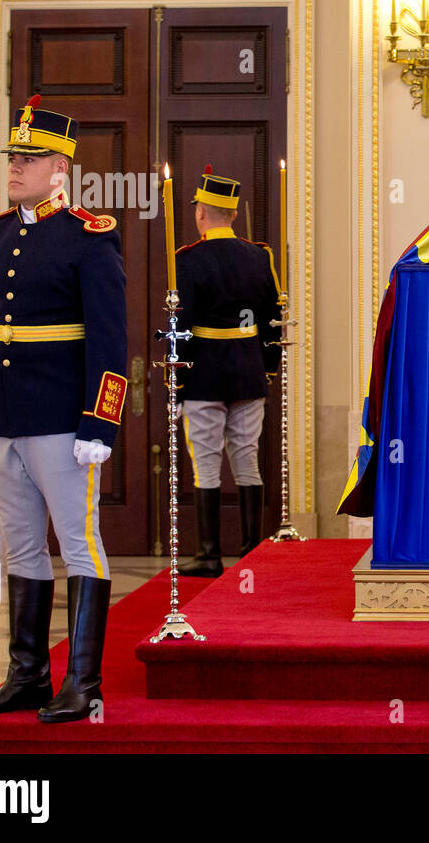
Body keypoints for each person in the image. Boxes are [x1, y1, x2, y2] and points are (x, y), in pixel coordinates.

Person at [0, 94, 127, 724]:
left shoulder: (89, 236)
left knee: (80, 545)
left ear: (62, 168)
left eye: (30, 158)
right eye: (13, 157)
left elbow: (111, 339)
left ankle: (84, 683)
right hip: (3, 419)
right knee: (21, 547)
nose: (16, 167)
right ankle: (27, 675)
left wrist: (99, 423)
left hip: (63, 423)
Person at [174, 165, 282, 577]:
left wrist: (179, 374)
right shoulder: (260, 256)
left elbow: (180, 320)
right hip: (248, 369)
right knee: (246, 457)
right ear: (234, 215)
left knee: (205, 460)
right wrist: (267, 368)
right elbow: (273, 316)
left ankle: (209, 554)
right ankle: (252, 549)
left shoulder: (188, 259)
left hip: (203, 372)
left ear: (201, 213)